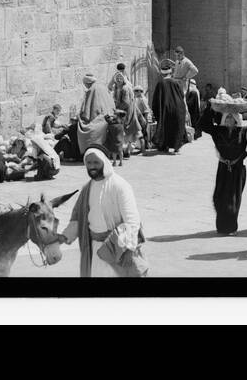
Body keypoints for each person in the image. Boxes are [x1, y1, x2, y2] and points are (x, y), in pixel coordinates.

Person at [60, 148, 146, 278]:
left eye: (96, 162)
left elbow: (132, 220)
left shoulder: (119, 185)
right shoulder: (86, 189)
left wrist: (129, 249)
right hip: (95, 251)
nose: (92, 166)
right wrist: (64, 237)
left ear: (104, 162)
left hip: (118, 249)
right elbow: (78, 219)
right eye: (88, 163)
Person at [198, 104, 247, 236]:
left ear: (236, 119)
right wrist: (210, 108)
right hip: (223, 168)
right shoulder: (218, 131)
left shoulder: (243, 132)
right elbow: (203, 125)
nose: (228, 120)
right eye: (226, 117)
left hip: (237, 168)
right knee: (219, 197)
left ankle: (231, 227)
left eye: (231, 117)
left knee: (233, 198)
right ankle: (222, 227)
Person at [150, 61, 188, 153]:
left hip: (165, 110)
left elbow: (155, 100)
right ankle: (176, 146)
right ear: (170, 73)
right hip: (178, 108)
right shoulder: (176, 83)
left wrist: (156, 112)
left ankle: (165, 145)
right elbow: (182, 96)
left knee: (165, 127)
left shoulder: (160, 83)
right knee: (177, 127)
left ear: (162, 74)